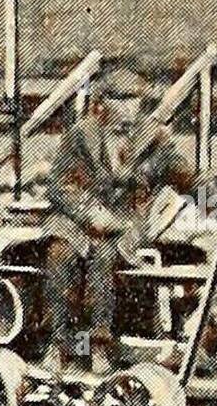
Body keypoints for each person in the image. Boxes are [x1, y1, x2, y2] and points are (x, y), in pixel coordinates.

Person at [41, 66, 198, 374]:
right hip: (77, 220)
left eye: (134, 100)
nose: (129, 107)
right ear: (102, 102)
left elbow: (186, 177)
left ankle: (99, 345)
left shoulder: (154, 139)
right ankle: (60, 344)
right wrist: (89, 213)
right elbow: (59, 185)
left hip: (125, 223)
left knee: (104, 256)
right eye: (120, 99)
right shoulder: (80, 135)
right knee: (59, 256)